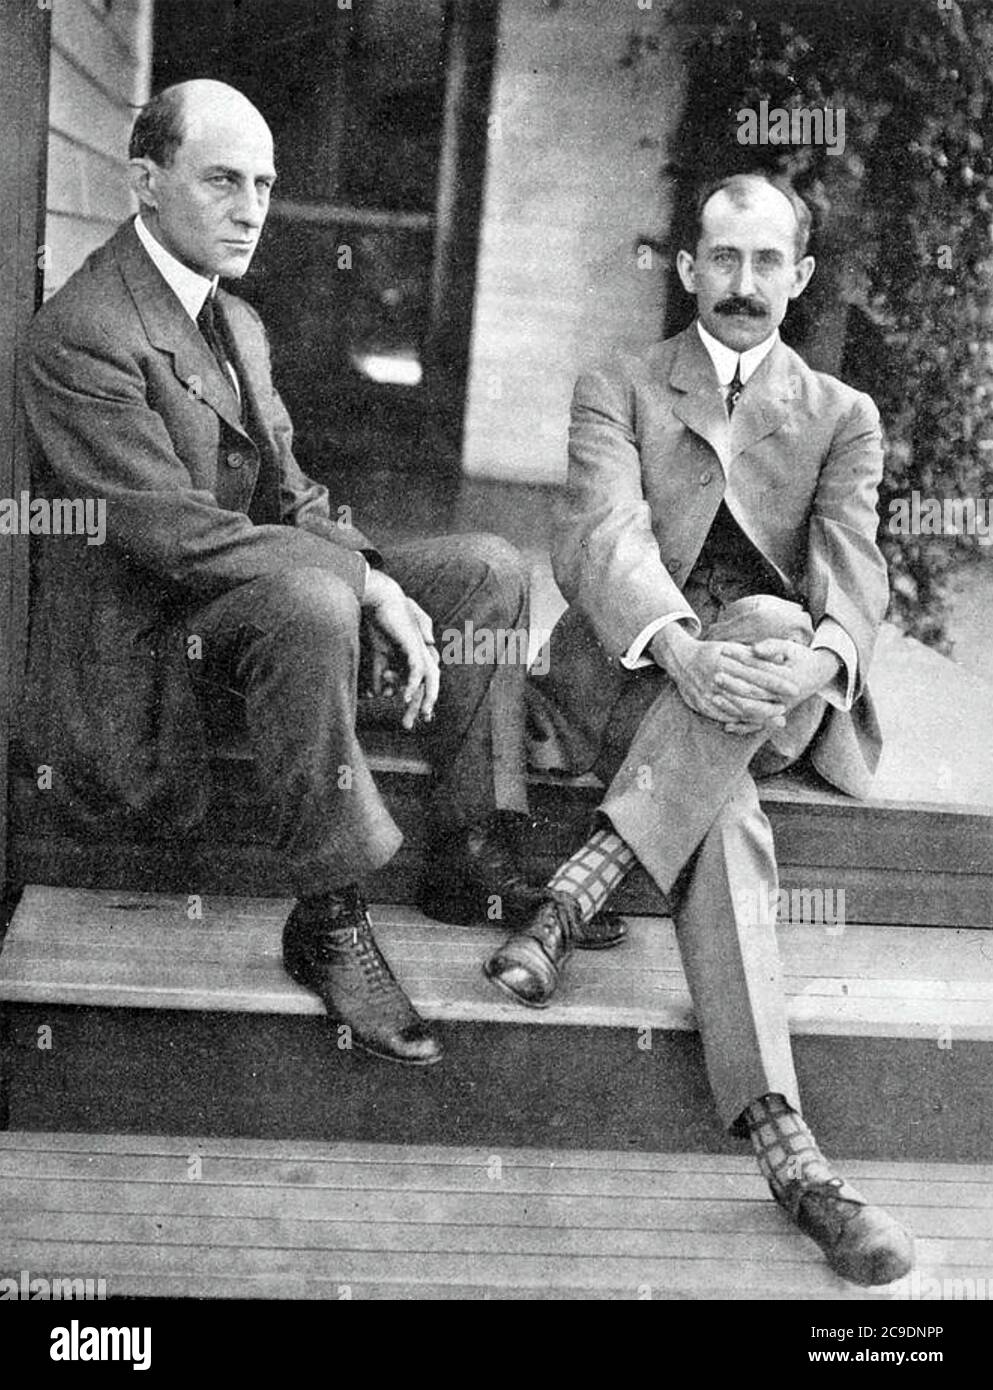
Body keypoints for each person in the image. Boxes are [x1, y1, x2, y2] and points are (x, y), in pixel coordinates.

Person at [19, 79, 559, 1069]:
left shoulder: (239, 323)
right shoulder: (84, 330)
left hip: (251, 614)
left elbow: (294, 499)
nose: (253, 207)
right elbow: (173, 534)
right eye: (223, 180)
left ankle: (468, 854)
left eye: (264, 182)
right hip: (149, 657)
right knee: (317, 594)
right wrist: (362, 584)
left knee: (488, 567)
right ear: (142, 180)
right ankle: (331, 916)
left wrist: (368, 568)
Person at [485, 172, 914, 1287]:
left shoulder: (841, 416)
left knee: (780, 616)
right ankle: (792, 1150)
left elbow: (856, 580)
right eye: (721, 259)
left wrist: (809, 659)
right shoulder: (619, 385)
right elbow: (601, 540)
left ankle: (582, 883)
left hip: (773, 692)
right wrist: (682, 648)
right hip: (637, 677)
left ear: (801, 277)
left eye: (768, 262)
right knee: (721, 810)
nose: (743, 284)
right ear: (687, 269)